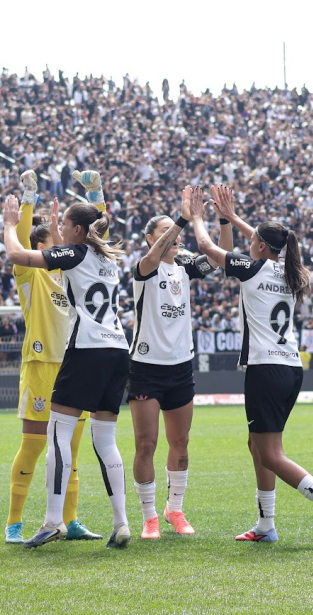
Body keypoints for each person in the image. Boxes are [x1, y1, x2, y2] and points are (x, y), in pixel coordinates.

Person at [191, 189, 313, 547]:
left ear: (262, 247)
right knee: (257, 444)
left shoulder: (252, 269)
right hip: (290, 368)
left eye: (254, 241)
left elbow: (206, 248)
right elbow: (268, 241)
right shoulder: (289, 269)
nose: (250, 244)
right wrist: (233, 219)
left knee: (269, 453)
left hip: (265, 369)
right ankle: (266, 525)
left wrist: (196, 217)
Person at [2, 186, 132, 550]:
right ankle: (121, 523)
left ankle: (53, 521)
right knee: (106, 442)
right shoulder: (109, 259)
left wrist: (10, 224)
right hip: (118, 349)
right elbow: (81, 243)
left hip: (86, 349)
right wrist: (87, 206)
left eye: (63, 223)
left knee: (58, 437)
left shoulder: (72, 255)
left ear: (76, 230)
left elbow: (15, 253)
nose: (59, 227)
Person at [128, 185, 227, 540]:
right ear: (151, 240)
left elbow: (219, 258)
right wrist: (183, 219)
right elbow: (154, 257)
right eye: (166, 233)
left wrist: (223, 220)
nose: (175, 239)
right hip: (145, 367)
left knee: (180, 443)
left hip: (181, 367)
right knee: (146, 445)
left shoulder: (185, 266)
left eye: (175, 232)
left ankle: (175, 509)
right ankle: (149, 515)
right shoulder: (145, 268)